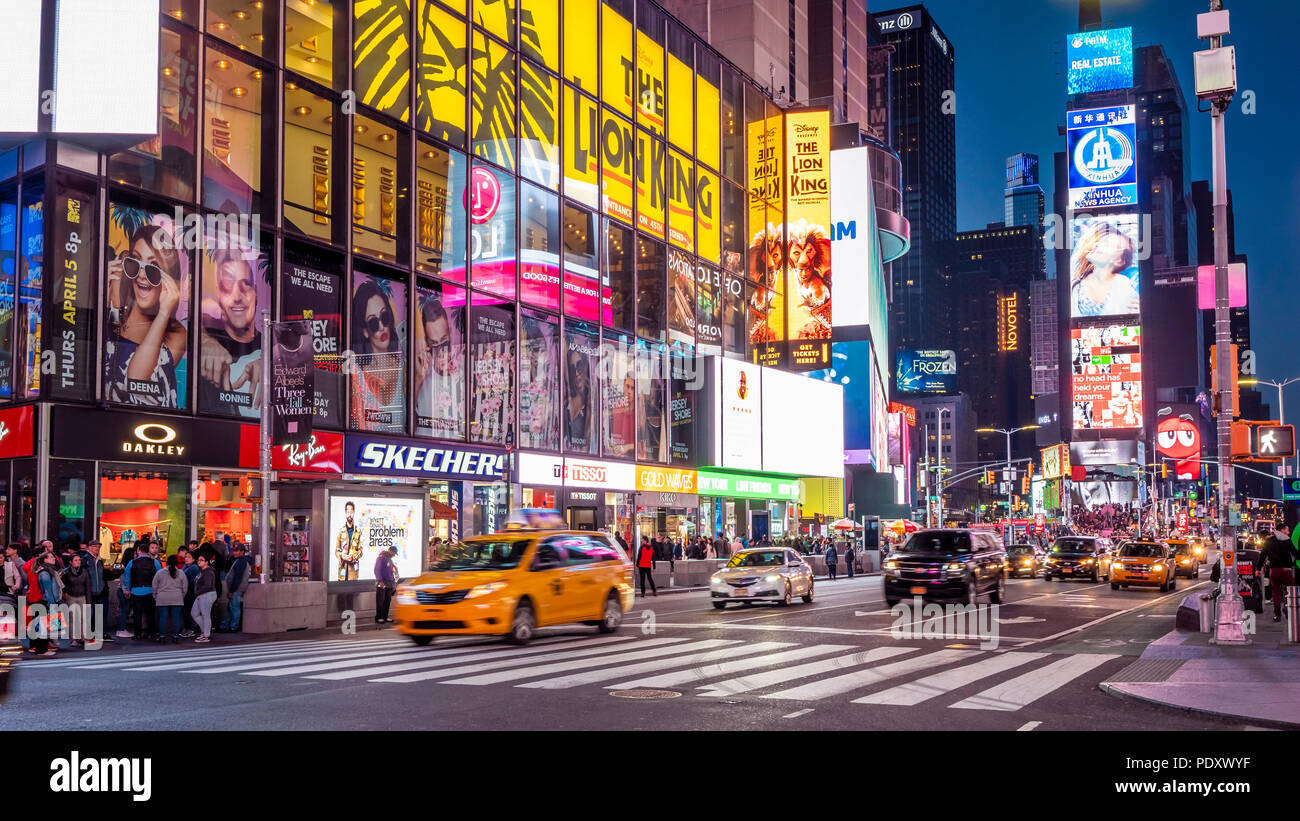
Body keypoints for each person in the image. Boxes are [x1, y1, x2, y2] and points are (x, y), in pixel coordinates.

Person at [104, 222, 187, 407]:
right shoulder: (112, 314)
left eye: (154, 268)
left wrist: (164, 311)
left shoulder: (175, 334)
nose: (141, 275)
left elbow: (136, 381)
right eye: (135, 262)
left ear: (169, 279)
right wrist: (105, 298)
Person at [198, 246, 263, 418]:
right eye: (227, 286)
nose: (237, 296)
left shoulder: (273, 348)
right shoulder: (202, 336)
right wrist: (202, 340)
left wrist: (272, 367)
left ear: (256, 293)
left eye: (246, 285)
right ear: (218, 294)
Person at [1070, 220, 1139, 318]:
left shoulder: (1124, 286)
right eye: (1100, 241)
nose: (1097, 245)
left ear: (1118, 260)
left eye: (1108, 244)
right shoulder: (1075, 286)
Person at [1260, 522, 1299, 622]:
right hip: (1287, 570)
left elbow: (1263, 555)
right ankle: (1287, 607)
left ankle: (1277, 615)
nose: (1288, 532)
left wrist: (1257, 569)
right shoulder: (1287, 541)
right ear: (1282, 530)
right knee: (1289, 591)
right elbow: (1296, 555)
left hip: (1274, 570)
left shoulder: (1269, 541)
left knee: (1276, 593)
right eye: (1287, 530)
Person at [125, 546, 162, 640]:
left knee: (137, 614)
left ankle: (137, 633)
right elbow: (159, 576)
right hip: (150, 591)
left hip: (136, 591)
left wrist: (127, 589)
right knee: (150, 613)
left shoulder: (131, 562)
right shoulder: (155, 562)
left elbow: (127, 577)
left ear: (138, 551)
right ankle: (151, 633)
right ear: (148, 551)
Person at [152, 554, 188, 644]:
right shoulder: (181, 573)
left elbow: (154, 586)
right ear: (177, 563)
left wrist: (156, 596)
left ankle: (162, 636)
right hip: (177, 598)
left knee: (163, 618)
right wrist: (181, 596)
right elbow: (185, 588)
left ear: (167, 562)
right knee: (176, 618)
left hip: (162, 598)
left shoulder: (159, 573)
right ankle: (175, 636)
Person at [219, 544, 252, 633]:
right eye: (234, 550)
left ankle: (233, 626)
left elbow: (237, 578)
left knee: (234, 608)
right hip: (235, 589)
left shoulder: (241, 562)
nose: (234, 552)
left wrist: (231, 591)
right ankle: (224, 625)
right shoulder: (239, 560)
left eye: (237, 551)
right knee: (231, 608)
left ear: (242, 552)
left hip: (236, 589)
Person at [60, 553, 91, 646]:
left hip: (82, 596)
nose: (78, 562)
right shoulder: (66, 572)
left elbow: (88, 586)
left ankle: (83, 637)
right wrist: (65, 593)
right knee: (73, 618)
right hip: (71, 597)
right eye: (76, 560)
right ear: (70, 562)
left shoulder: (84, 572)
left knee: (83, 618)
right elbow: (62, 584)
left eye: (79, 560)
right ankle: (74, 638)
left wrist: (89, 601)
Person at [190, 555, 217, 642]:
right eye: (198, 560)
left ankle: (206, 635)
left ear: (206, 562)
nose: (199, 561)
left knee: (205, 615)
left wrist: (197, 593)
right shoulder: (202, 571)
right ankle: (204, 631)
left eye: (202, 560)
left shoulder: (208, 572)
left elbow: (207, 586)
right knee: (194, 613)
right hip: (201, 595)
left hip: (207, 594)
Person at [336, 501, 362, 581]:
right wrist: (341, 555)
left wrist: (352, 557)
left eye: (351, 511)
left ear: (354, 513)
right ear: (345, 513)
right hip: (342, 574)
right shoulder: (341, 531)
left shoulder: (358, 531)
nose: (349, 514)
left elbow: (361, 551)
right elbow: (336, 550)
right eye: (347, 511)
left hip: (353, 575)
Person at [374, 547, 398, 624]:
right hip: (382, 583)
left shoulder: (390, 559)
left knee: (387, 601)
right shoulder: (381, 558)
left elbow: (392, 570)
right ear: (390, 551)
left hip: (390, 583)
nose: (394, 555)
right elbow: (377, 570)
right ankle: (379, 617)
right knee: (380, 601)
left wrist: (394, 580)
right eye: (394, 554)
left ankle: (385, 616)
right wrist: (380, 581)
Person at [180, 548, 200, 638]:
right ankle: (187, 628)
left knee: (189, 611)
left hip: (190, 593)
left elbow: (187, 581)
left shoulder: (193, 568)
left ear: (193, 559)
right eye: (186, 557)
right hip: (186, 593)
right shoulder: (186, 566)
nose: (186, 559)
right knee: (186, 611)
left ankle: (190, 629)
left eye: (189, 557)